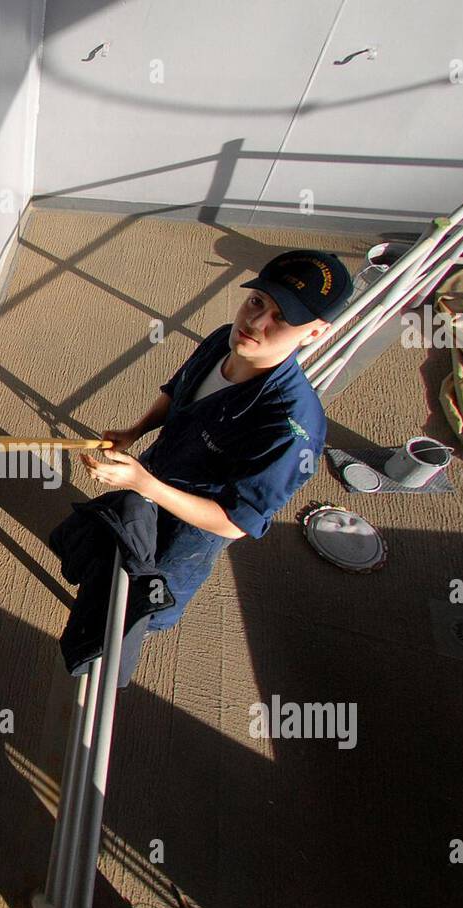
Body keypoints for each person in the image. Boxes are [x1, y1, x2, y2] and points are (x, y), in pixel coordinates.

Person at [77, 249, 352, 675]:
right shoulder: (222, 340)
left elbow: (236, 523)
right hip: (156, 473)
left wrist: (145, 485)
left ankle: (143, 629)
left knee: (150, 597)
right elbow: (178, 391)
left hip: (189, 533)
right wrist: (135, 431)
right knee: (113, 555)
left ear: (315, 334)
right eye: (257, 301)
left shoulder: (292, 427)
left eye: (282, 318)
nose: (255, 324)